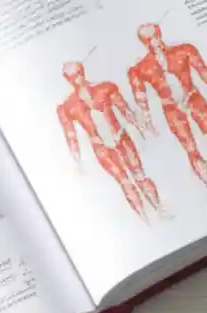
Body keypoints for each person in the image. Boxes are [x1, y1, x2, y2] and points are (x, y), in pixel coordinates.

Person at [127, 23, 207, 192]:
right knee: (191, 149)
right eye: (148, 40)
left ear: (159, 34)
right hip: (172, 109)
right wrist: (147, 119)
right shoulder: (140, 68)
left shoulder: (183, 50)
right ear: (143, 42)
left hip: (193, 98)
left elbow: (203, 71)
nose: (153, 42)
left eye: (154, 36)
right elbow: (140, 96)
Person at [57, 61, 161, 221]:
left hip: (120, 137)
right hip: (102, 148)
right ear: (67, 79)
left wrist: (140, 124)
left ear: (83, 72)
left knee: (140, 176)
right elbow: (71, 136)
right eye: (72, 77)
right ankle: (145, 219)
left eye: (78, 74)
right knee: (125, 183)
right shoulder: (67, 107)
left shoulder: (104, 88)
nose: (77, 79)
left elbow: (124, 108)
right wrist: (77, 162)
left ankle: (159, 210)